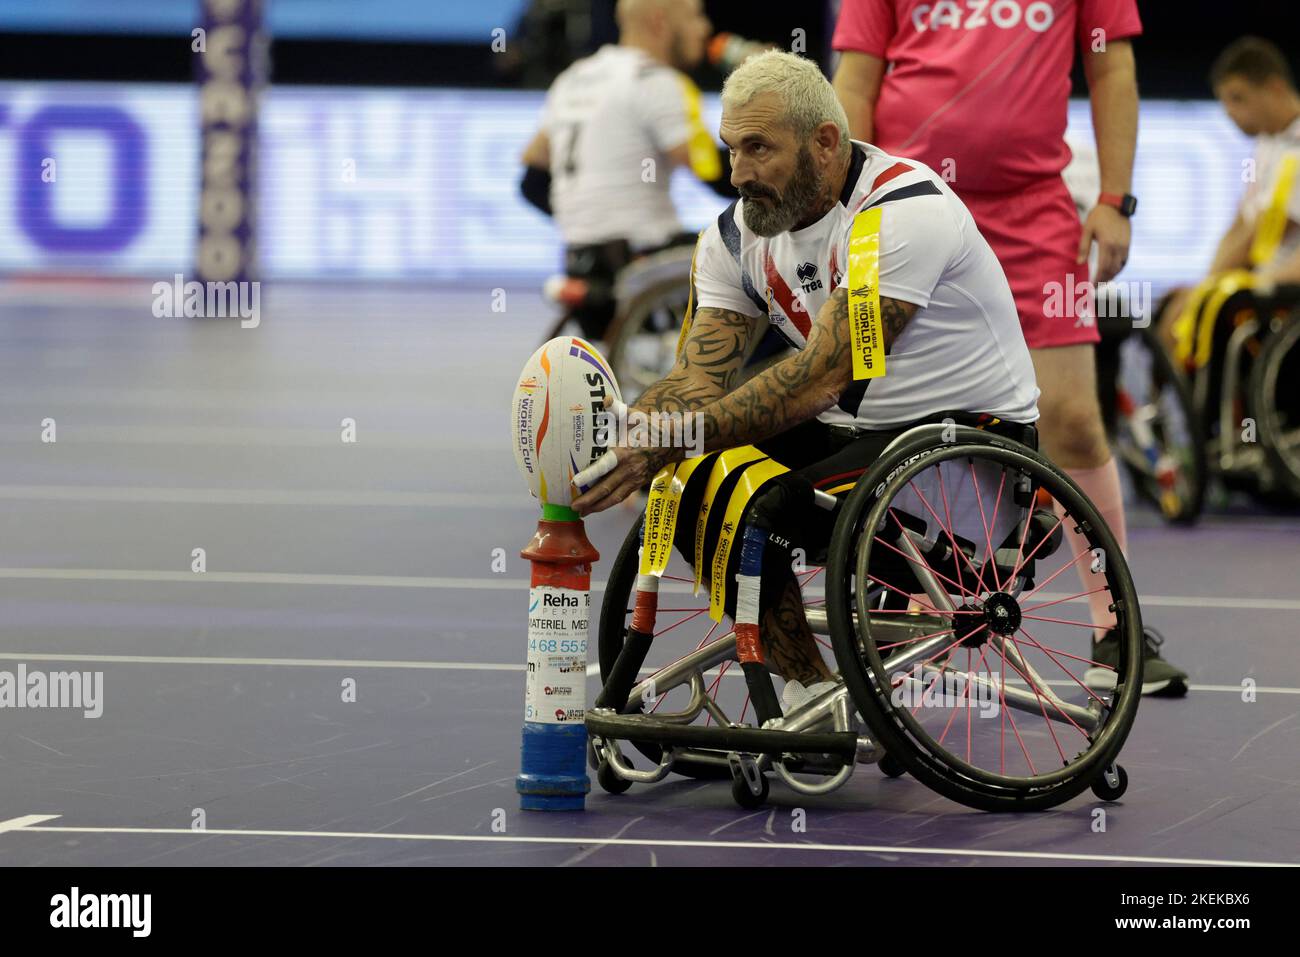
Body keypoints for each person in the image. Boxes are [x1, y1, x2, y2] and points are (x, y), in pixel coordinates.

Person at [571, 51, 1040, 706]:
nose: (739, 174)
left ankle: (809, 700)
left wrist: (677, 433)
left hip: (969, 462)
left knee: (761, 501)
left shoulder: (900, 211)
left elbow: (820, 378)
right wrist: (632, 434)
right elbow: (697, 380)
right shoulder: (732, 240)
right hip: (858, 440)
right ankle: (809, 693)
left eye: (759, 149)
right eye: (731, 150)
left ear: (825, 142)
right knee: (691, 484)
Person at [831, 0, 1187, 695]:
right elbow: (856, 82)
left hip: (1032, 213)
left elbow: (1112, 67)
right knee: (893, 421)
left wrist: (1115, 198)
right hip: (906, 211)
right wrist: (854, 205)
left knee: (1076, 420)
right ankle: (907, 609)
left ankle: (1114, 626)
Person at [518, 0, 735, 341]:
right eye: (695, 16)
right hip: (645, 266)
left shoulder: (572, 79)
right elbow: (722, 176)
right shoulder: (658, 82)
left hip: (581, 266)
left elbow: (531, 184)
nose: (705, 28)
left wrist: (589, 221)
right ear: (659, 22)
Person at [1157, 37, 1300, 353]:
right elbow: (1242, 219)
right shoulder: (1264, 148)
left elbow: (1262, 230)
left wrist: (1204, 292)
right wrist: (1204, 282)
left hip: (1284, 287)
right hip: (1263, 282)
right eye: (1224, 101)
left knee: (1202, 312)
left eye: (1238, 98)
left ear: (1275, 88)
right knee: (1169, 307)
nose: (1230, 112)